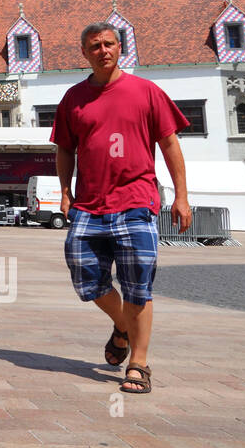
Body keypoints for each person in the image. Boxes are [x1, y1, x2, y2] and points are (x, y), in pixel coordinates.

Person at [52, 22, 192, 395]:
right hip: (89, 205)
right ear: (84, 53)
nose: (102, 51)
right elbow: (65, 148)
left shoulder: (146, 92)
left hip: (135, 202)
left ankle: (139, 364)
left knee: (138, 288)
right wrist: (65, 191)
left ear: (120, 48)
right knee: (85, 276)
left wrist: (181, 195)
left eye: (108, 44)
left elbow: (170, 144)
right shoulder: (73, 98)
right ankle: (124, 326)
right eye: (94, 46)